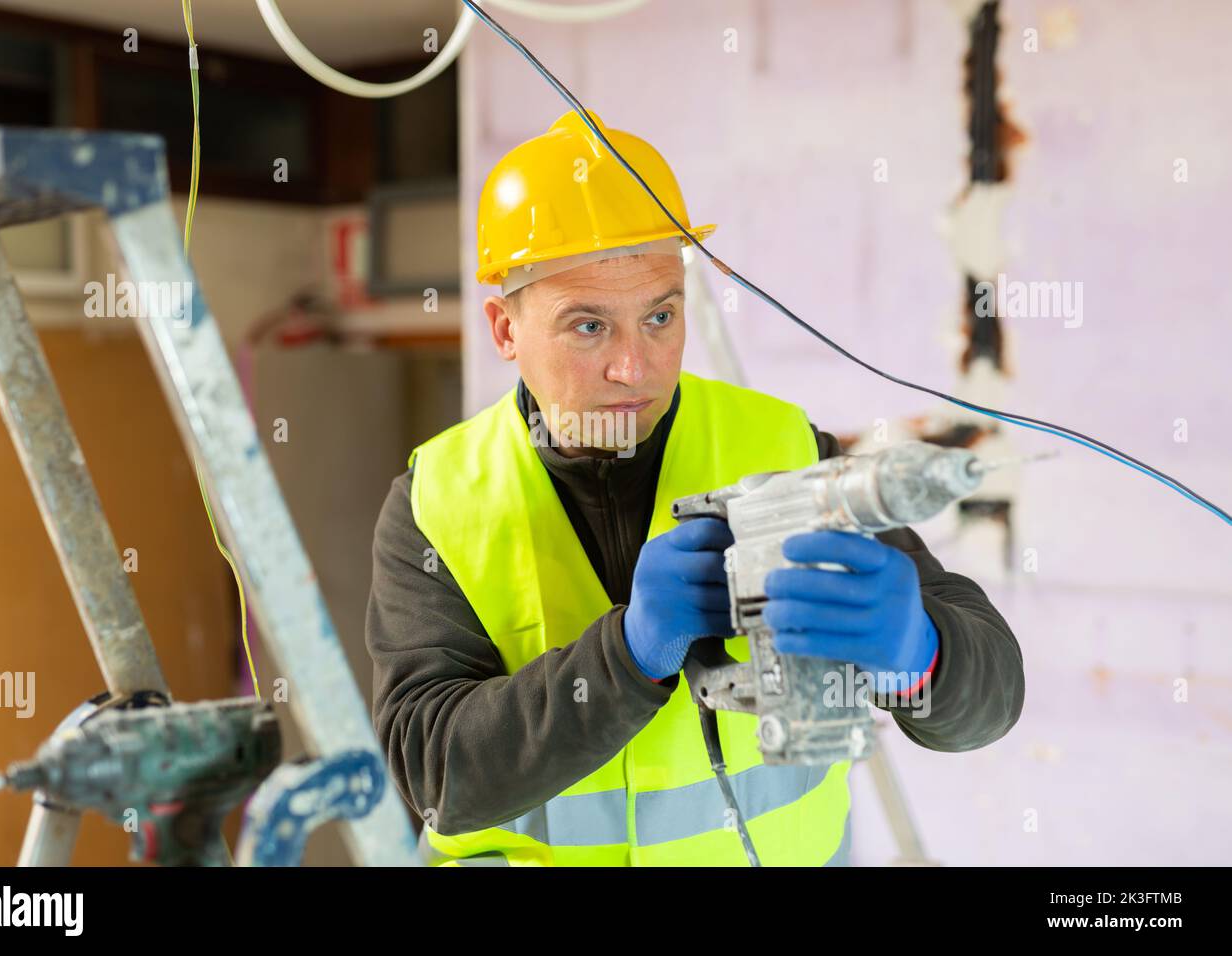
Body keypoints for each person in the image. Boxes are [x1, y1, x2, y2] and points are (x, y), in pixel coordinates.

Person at [365, 110, 1024, 866]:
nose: (633, 367)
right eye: (588, 327)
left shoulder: (779, 445)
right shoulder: (437, 502)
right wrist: (630, 653)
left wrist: (923, 653)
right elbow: (434, 776)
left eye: (660, 316)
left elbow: (992, 701)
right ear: (505, 330)